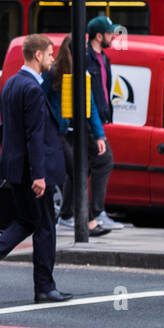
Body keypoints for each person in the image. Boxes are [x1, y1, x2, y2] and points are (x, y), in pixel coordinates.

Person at [0, 35, 70, 304]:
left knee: (27, 221)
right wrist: (39, 174)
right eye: (50, 54)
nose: (52, 58)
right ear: (37, 55)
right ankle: (45, 288)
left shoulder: (11, 84)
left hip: (15, 167)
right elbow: (34, 134)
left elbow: (5, 130)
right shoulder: (34, 89)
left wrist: (12, 162)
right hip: (35, 170)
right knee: (46, 227)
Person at [49, 36, 109, 238]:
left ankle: (70, 216)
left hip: (77, 132)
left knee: (79, 172)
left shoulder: (82, 73)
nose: (86, 51)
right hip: (61, 132)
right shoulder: (55, 73)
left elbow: (90, 105)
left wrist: (100, 135)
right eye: (82, 47)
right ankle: (88, 221)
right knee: (77, 172)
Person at [84, 16, 122, 231]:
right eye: (109, 33)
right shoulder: (87, 58)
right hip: (90, 120)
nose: (112, 36)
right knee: (104, 161)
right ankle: (96, 212)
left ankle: (68, 213)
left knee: (82, 167)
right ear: (99, 36)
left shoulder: (103, 58)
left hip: (100, 118)